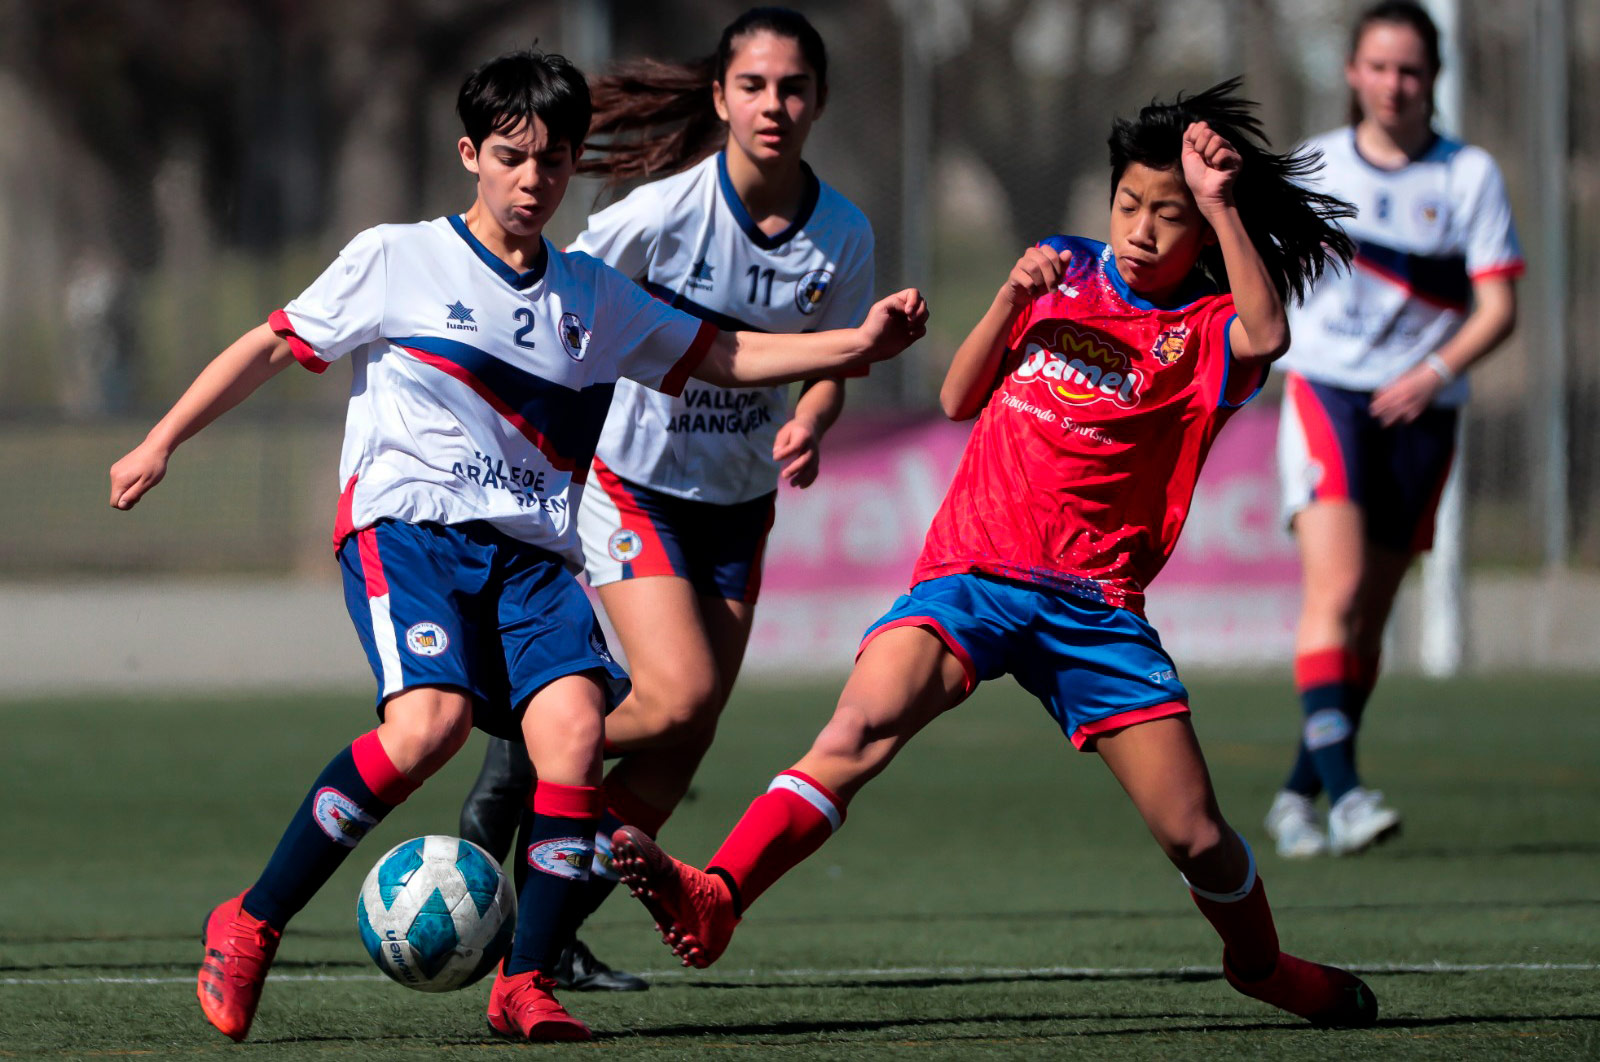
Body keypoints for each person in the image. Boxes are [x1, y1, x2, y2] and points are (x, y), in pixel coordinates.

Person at [108, 47, 925, 1043]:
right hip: (409, 534)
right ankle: (251, 921)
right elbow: (275, 343)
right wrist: (161, 441)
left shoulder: (592, 295)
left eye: (551, 161)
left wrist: (856, 346)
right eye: (510, 157)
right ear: (470, 155)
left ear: (574, 164)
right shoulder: (399, 258)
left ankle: (522, 984)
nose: (531, 180)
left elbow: (727, 354)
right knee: (427, 730)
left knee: (576, 738)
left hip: (536, 561)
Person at [608, 80, 1381, 1028]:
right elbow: (958, 399)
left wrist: (1221, 204)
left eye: (1168, 215)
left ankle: (1263, 967)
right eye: (1129, 205)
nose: (1141, 229)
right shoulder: (1064, 273)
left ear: (1203, 229)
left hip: (1094, 606)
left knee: (1195, 835)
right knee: (855, 731)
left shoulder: (1206, 331)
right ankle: (719, 896)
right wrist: (1011, 297)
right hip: (974, 570)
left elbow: (1271, 333)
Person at [455, 7, 875, 993]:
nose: (775, 104)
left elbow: (835, 362)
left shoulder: (843, 234)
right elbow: (566, 306)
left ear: (816, 100)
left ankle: (548, 930)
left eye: (794, 87)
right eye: (756, 85)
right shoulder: (660, 216)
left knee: (683, 748)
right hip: (635, 482)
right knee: (677, 696)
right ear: (723, 96)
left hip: (738, 503)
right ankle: (530, 741)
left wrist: (812, 417)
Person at [1263, 0, 1521, 860]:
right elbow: (1255, 280)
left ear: (1433, 79)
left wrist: (1434, 373)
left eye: (1410, 70)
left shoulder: (1467, 176)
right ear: (1352, 73)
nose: (1394, 85)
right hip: (1328, 394)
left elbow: (1498, 308)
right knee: (1333, 595)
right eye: (1378, 66)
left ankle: (1300, 796)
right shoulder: (1315, 168)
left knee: (1370, 620)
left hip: (1422, 415)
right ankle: (1345, 796)